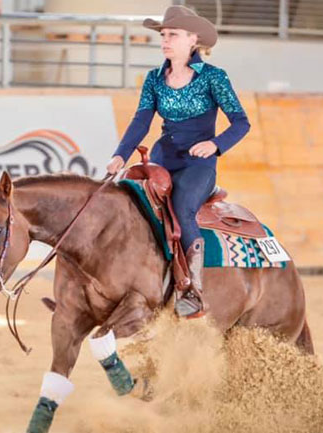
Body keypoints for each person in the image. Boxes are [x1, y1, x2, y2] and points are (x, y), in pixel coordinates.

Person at [106, 5, 251, 318]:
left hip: (197, 166)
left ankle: (191, 287)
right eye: (164, 34)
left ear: (192, 39)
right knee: (125, 200)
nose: (165, 39)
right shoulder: (155, 78)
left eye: (172, 34)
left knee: (183, 206)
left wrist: (215, 144)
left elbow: (241, 122)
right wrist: (120, 154)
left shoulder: (213, 78)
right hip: (161, 159)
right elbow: (141, 121)